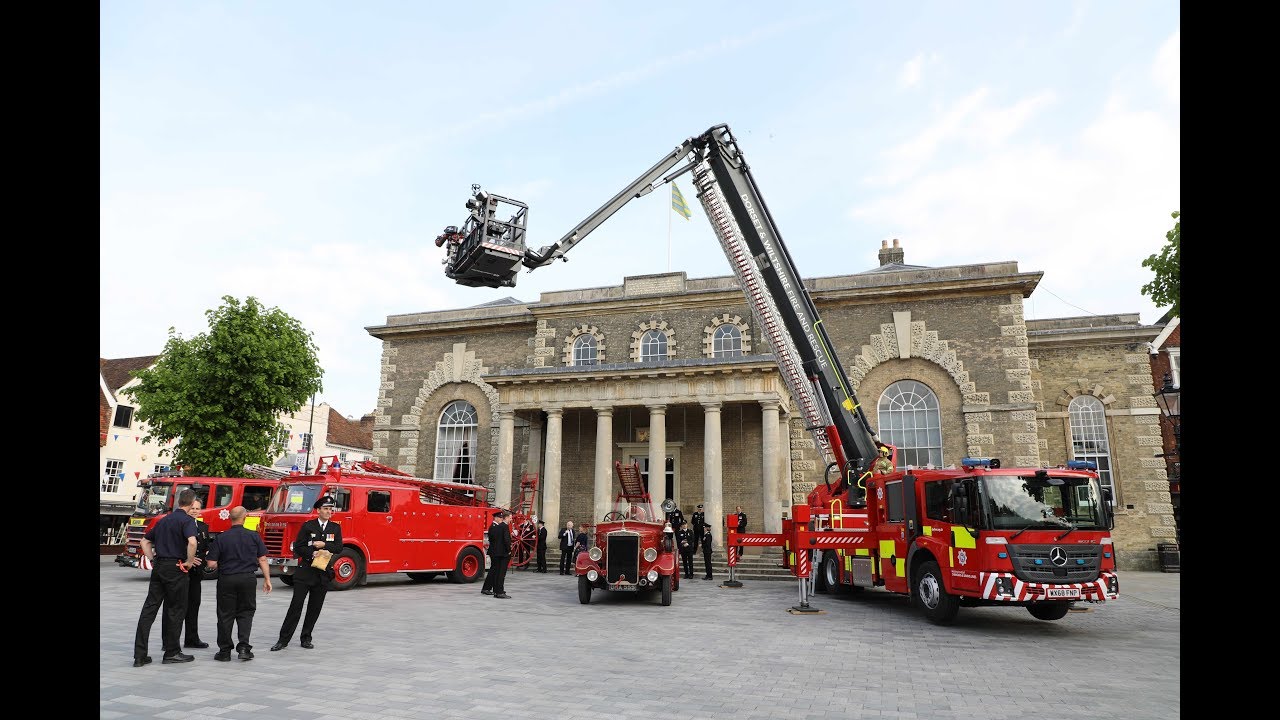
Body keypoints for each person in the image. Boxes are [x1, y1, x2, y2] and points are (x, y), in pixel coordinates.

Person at [133, 488, 199, 666]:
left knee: (149, 609)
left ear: (178, 502)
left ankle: (140, 655)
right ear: (192, 503)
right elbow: (192, 542)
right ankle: (172, 652)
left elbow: (144, 541)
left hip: (160, 566)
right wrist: (189, 561)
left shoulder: (163, 520)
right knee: (175, 609)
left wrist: (152, 559)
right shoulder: (188, 521)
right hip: (176, 568)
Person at [271, 495, 343, 651]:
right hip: (305, 573)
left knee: (314, 608)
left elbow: (339, 547)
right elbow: (298, 547)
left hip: (322, 573)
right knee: (296, 606)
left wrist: (325, 545)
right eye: (325, 509)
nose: (329, 512)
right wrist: (311, 553)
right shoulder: (308, 526)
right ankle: (283, 640)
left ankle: (306, 637)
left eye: (331, 509)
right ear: (318, 510)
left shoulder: (335, 528)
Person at [206, 506, 272, 661]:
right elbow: (262, 559)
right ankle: (243, 648)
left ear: (230, 518)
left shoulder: (221, 538)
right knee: (246, 613)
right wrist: (267, 579)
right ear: (245, 517)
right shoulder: (254, 536)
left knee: (225, 614)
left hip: (227, 579)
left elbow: (211, 563)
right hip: (247, 579)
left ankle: (224, 651)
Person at [181, 499, 214, 649]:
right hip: (181, 570)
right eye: (192, 508)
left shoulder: (202, 527)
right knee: (177, 607)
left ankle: (192, 638)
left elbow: (205, 547)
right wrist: (188, 558)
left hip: (196, 574)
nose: (194, 511)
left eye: (197, 508)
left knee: (194, 605)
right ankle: (169, 641)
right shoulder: (181, 524)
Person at [487, 510, 512, 598]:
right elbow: (506, 540)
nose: (511, 520)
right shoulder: (504, 526)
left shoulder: (498, 526)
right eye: (510, 518)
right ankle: (499, 592)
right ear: (506, 518)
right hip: (503, 553)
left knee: (497, 572)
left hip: (497, 552)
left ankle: (497, 591)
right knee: (501, 573)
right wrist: (509, 550)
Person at [480, 510, 502, 594]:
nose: (501, 519)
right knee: (493, 570)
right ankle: (486, 588)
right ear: (495, 518)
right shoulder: (494, 527)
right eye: (500, 517)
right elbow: (495, 540)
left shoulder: (496, 526)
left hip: (495, 551)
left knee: (494, 570)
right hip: (495, 551)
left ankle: (488, 588)